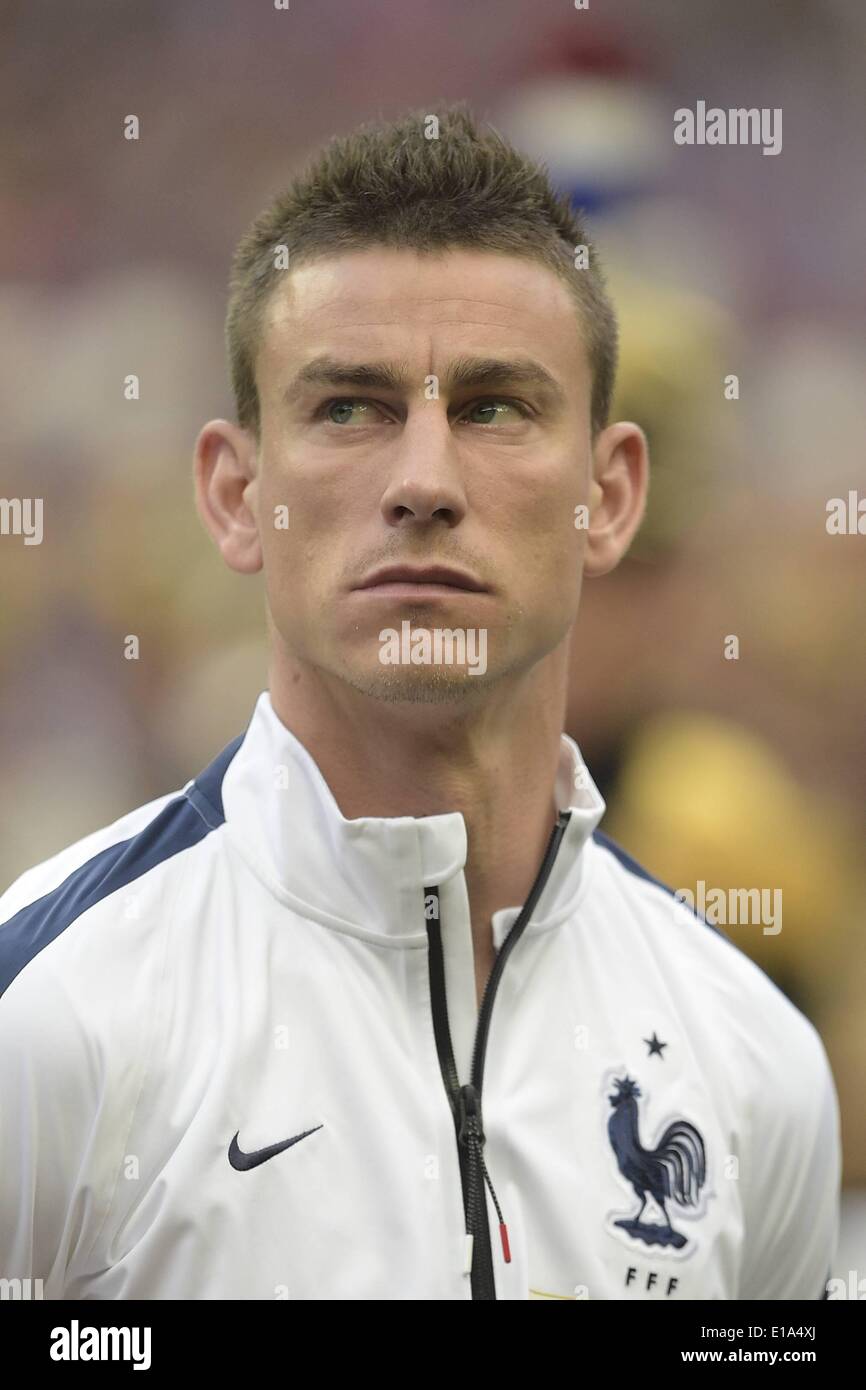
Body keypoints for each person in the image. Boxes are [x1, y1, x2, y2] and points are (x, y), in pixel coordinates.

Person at [0, 104, 840, 1301]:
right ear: (236, 496)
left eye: (496, 406)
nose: (425, 481)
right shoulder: (45, 1017)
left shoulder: (753, 1061)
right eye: (350, 406)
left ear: (608, 493)